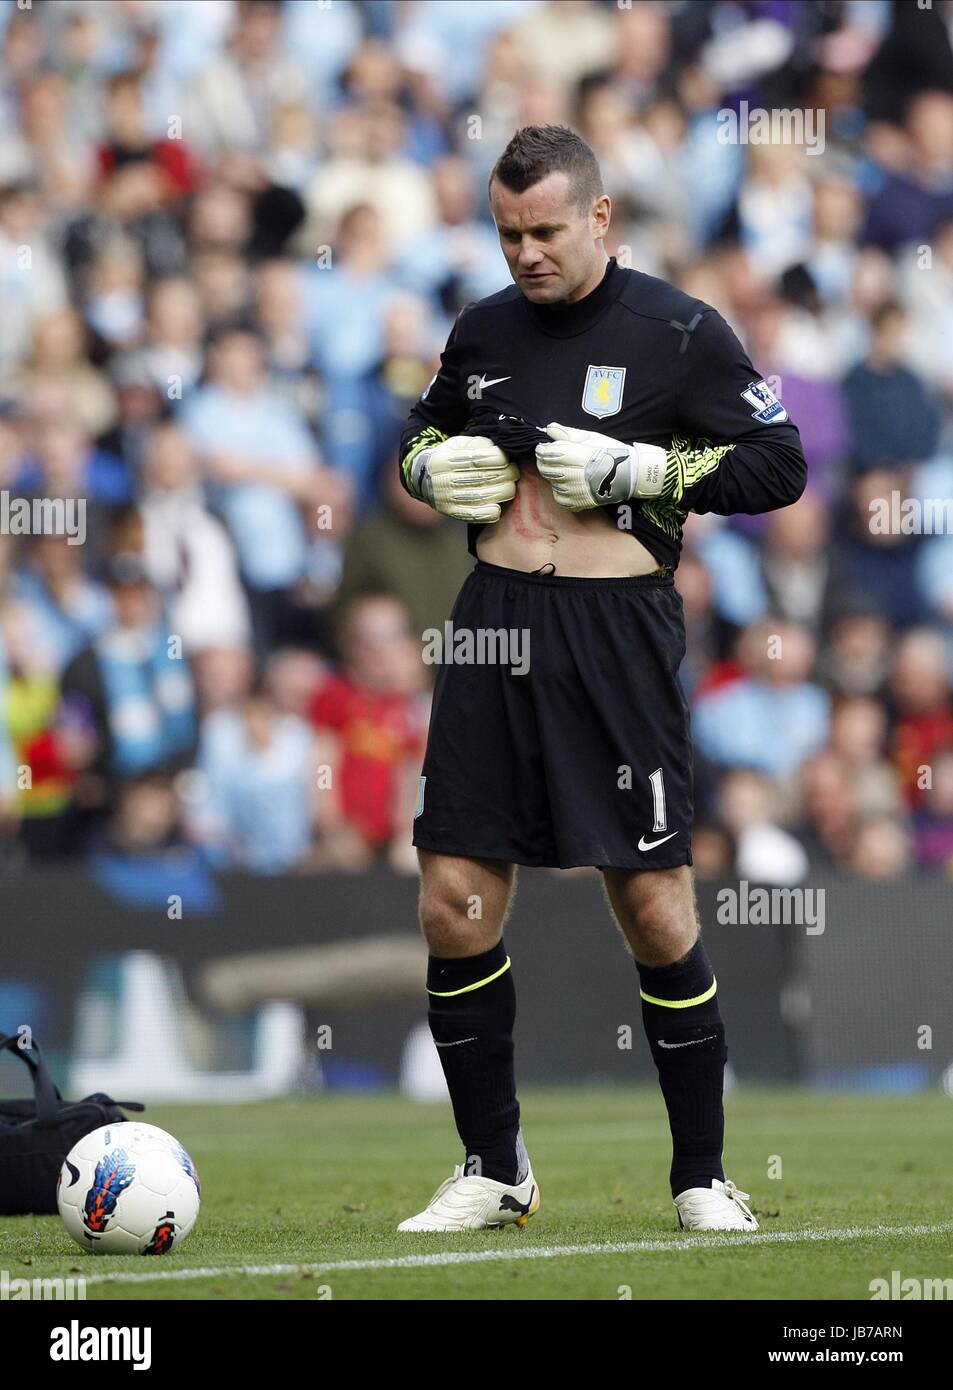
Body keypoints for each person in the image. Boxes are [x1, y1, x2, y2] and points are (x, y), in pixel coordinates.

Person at [396, 125, 806, 1233]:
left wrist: (649, 469)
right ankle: (493, 1165)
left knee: (654, 906)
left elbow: (780, 463)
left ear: (597, 217)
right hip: (491, 624)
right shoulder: (480, 327)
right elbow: (416, 436)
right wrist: (427, 467)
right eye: (506, 232)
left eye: (542, 230)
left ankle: (701, 1175)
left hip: (613, 631)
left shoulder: (678, 330)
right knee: (452, 898)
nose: (524, 251)